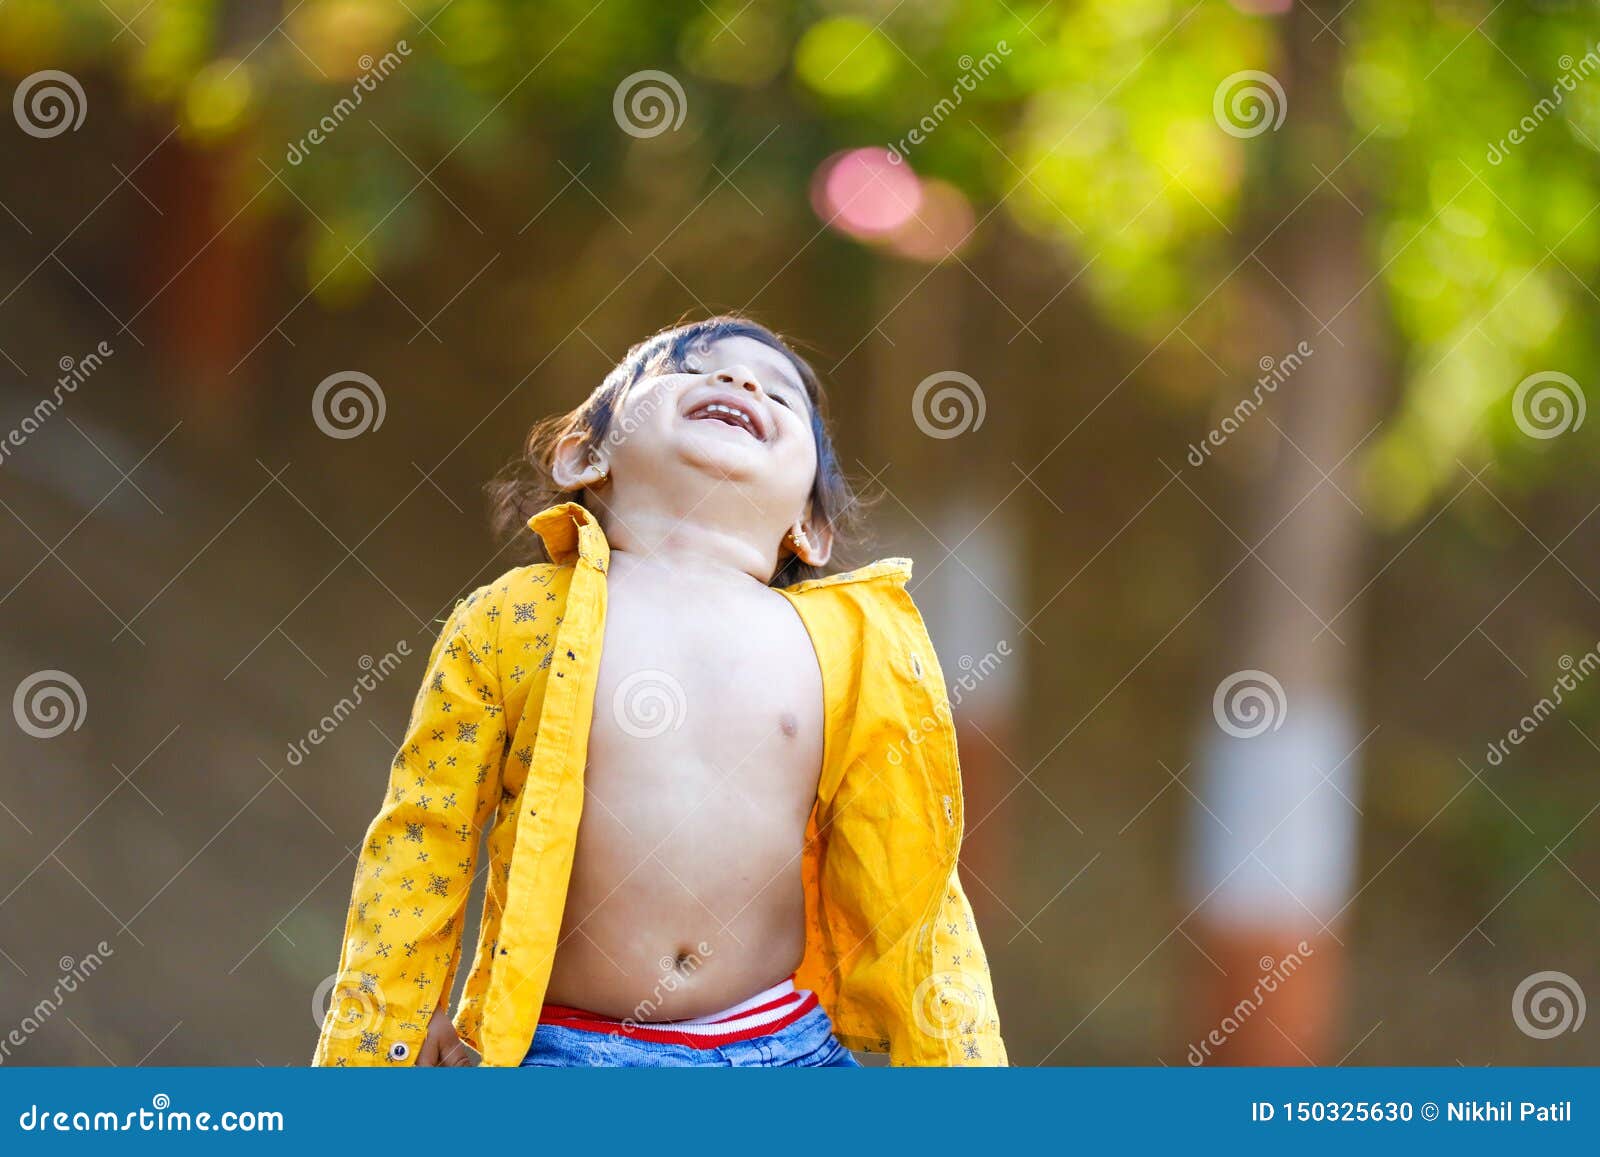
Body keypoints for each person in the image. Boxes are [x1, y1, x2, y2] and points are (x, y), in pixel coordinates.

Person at [313, 316, 1005, 1067]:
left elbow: (916, 898)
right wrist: (387, 1038)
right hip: (567, 1053)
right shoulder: (517, 619)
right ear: (588, 452)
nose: (742, 383)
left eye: (779, 392)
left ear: (810, 527)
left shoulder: (848, 649)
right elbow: (423, 836)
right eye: (697, 367)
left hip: (788, 1053)